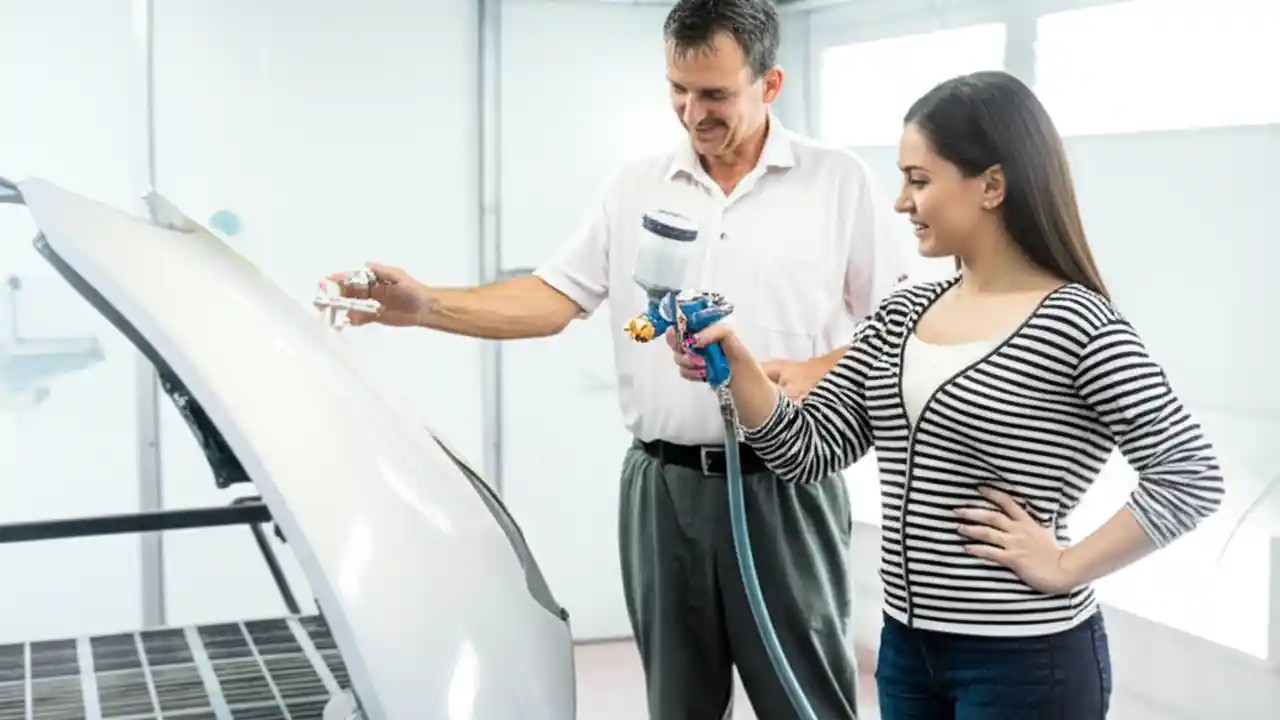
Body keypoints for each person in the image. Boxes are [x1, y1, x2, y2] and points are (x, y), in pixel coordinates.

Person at [323, 1, 909, 717]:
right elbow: (553, 297)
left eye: (716, 94)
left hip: (781, 483)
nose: (694, 113)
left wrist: (805, 372)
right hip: (661, 489)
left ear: (771, 83)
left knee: (805, 698)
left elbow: (903, 327)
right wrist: (429, 307)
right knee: (678, 701)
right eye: (678, 90)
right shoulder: (637, 185)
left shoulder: (836, 182)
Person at [680, 70, 1225, 719]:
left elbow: (1189, 476)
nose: (900, 203)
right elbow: (807, 452)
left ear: (991, 185)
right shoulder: (901, 314)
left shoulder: (1077, 323)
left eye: (919, 180)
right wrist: (735, 361)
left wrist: (1065, 565)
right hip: (909, 651)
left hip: (1025, 660)